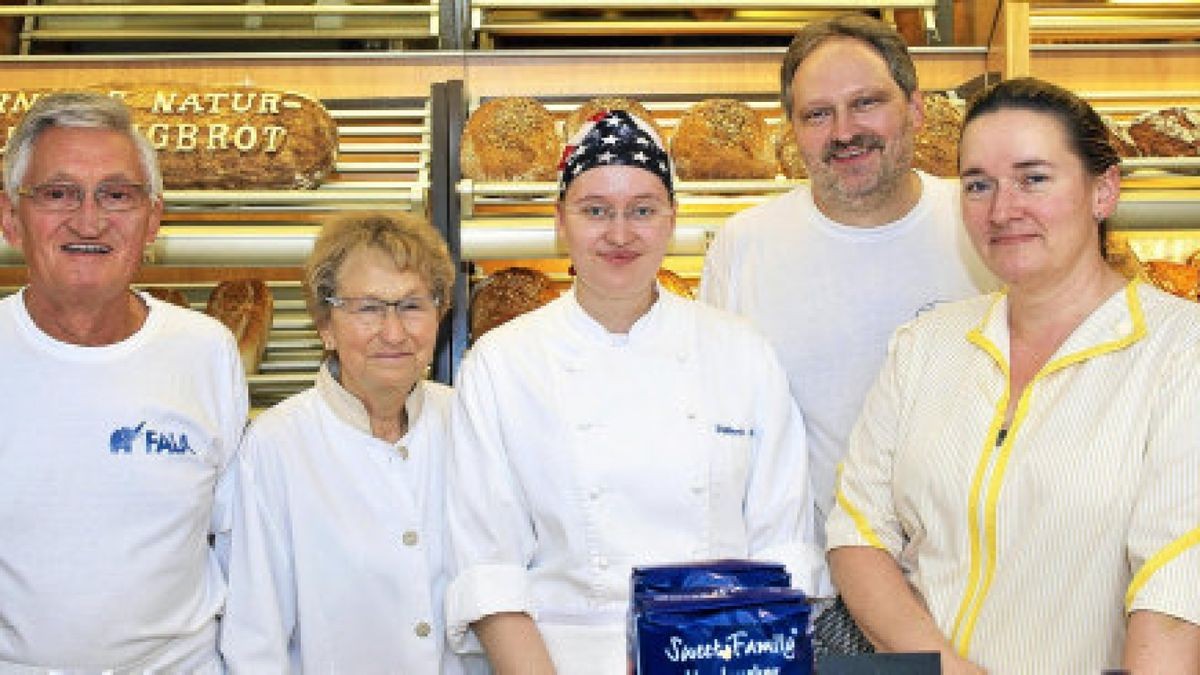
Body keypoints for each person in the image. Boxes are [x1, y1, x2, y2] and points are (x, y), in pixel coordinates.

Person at [826, 77, 1200, 673]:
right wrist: (946, 667)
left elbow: (1177, 592)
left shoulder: (1180, 352)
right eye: (979, 185)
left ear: (1103, 191)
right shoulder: (926, 345)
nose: (1003, 210)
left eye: (1034, 178)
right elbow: (858, 531)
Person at [444, 109, 823, 674]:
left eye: (642, 210)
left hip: (723, 660)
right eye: (595, 210)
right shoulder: (500, 365)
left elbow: (782, 549)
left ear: (672, 219)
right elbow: (489, 569)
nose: (620, 234)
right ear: (561, 222)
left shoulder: (742, 354)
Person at [699, 13, 995, 562]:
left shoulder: (984, 224)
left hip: (973, 578)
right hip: (811, 587)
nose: (843, 132)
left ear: (916, 108)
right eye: (818, 114)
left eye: (866, 103)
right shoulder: (745, 246)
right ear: (793, 130)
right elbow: (718, 435)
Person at [0, 92, 247, 670]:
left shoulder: (205, 349)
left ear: (153, 219)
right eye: (58, 194)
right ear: (11, 217)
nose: (89, 220)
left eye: (117, 195)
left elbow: (243, 546)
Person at [220, 212, 483, 673]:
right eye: (368, 308)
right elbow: (255, 639)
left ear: (440, 316)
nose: (394, 332)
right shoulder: (275, 446)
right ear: (325, 325)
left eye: (412, 305)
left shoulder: (467, 422)